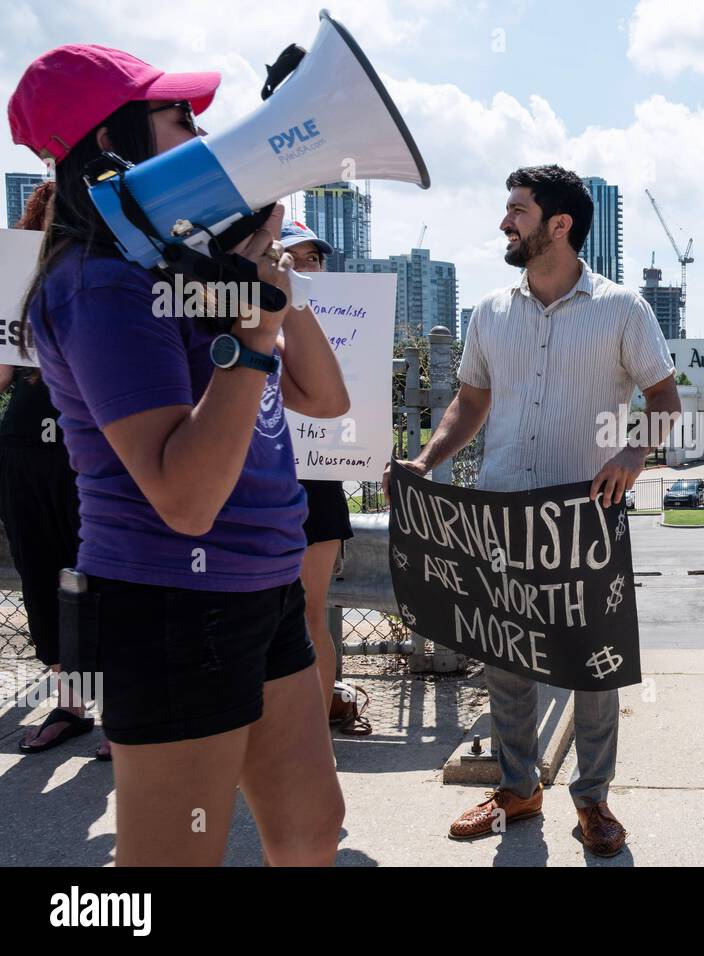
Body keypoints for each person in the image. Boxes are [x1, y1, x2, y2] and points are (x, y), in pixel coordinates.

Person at [8, 43, 350, 865]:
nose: (204, 137)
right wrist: (252, 334)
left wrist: (268, 280)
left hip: (261, 585)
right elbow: (185, 498)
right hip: (169, 601)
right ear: (112, 148)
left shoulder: (185, 268)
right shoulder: (100, 288)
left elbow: (325, 399)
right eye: (180, 118)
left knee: (312, 830)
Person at [384, 165, 681, 857]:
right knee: (507, 661)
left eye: (515, 210)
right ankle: (518, 791)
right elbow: (470, 403)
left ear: (559, 224)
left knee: (592, 669)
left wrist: (635, 454)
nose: (503, 222)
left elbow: (665, 403)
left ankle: (594, 801)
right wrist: (425, 462)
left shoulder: (623, 308)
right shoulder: (489, 311)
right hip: (501, 518)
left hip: (585, 516)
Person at [1, 183, 109, 759]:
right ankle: (73, 706)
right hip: (26, 447)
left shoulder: (111, 276)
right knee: (46, 577)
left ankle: (123, 710)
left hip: (94, 447)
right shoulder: (15, 281)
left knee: (106, 576)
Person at [279, 221, 359, 728]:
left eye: (314, 259)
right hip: (257, 476)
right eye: (295, 257)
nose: (307, 268)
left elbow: (345, 401)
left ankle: (311, 731)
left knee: (311, 612)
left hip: (318, 474)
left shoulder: (333, 312)